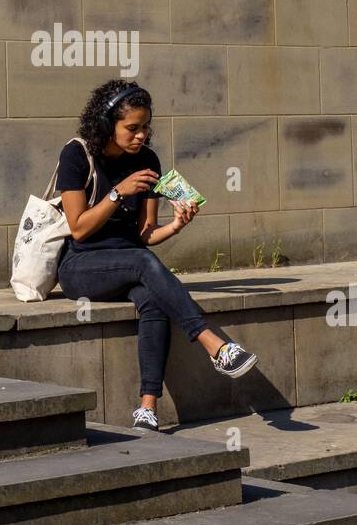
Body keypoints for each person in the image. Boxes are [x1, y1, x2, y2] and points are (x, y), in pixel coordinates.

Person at [54, 80, 258, 432]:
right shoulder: (76, 154)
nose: (141, 136)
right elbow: (79, 228)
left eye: (146, 127)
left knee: (152, 299)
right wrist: (118, 193)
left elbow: (145, 235)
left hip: (131, 263)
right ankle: (214, 345)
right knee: (141, 261)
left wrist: (176, 225)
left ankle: (147, 408)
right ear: (106, 125)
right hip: (81, 266)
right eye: (132, 128)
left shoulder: (148, 160)